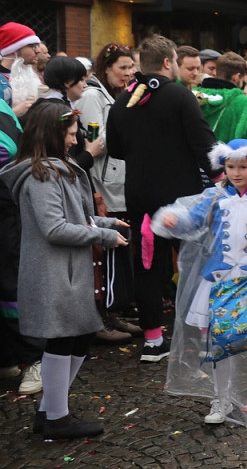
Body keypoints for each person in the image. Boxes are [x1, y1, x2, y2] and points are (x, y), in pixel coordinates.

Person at [0, 102, 129, 438]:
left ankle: (49, 412)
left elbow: (74, 217)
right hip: (55, 273)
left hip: (68, 272)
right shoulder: (42, 176)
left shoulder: (58, 169)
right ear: (53, 134)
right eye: (70, 135)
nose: (74, 141)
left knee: (79, 336)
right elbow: (54, 228)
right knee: (64, 339)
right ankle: (56, 419)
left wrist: (105, 221)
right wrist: (103, 235)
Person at [152, 139, 247, 434]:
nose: (236, 172)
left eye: (243, 166)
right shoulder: (215, 197)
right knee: (219, 345)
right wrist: (173, 220)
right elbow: (193, 221)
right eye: (230, 167)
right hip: (220, 283)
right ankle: (222, 399)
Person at [106, 35, 218, 362]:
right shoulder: (180, 96)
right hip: (183, 199)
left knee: (148, 268)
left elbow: (115, 150)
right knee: (195, 264)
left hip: (140, 195)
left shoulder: (123, 100)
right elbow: (204, 145)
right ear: (168, 62)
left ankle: (153, 341)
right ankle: (201, 336)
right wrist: (223, 182)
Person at [78, 44, 140, 339]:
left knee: (117, 253)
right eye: (123, 68)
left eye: (131, 67)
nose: (128, 73)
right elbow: (95, 141)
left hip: (120, 180)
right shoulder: (93, 96)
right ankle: (102, 317)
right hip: (105, 183)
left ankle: (115, 313)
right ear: (106, 67)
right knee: (105, 255)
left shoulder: (118, 95)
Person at [194, 52, 247, 144]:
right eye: (243, 81)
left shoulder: (193, 96)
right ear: (236, 77)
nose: (242, 85)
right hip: (229, 157)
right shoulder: (246, 103)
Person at [0, 22, 42, 117]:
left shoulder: (30, 75)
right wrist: (13, 113)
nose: (38, 50)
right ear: (13, 48)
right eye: (32, 46)